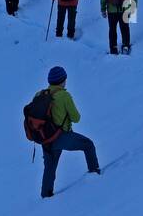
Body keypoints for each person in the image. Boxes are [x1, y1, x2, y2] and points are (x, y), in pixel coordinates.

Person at [39, 66, 99, 199]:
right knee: (88, 145)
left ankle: (45, 197)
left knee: (49, 168)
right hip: (61, 137)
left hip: (45, 139)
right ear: (62, 80)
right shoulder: (64, 96)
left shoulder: (40, 95)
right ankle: (95, 173)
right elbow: (76, 118)